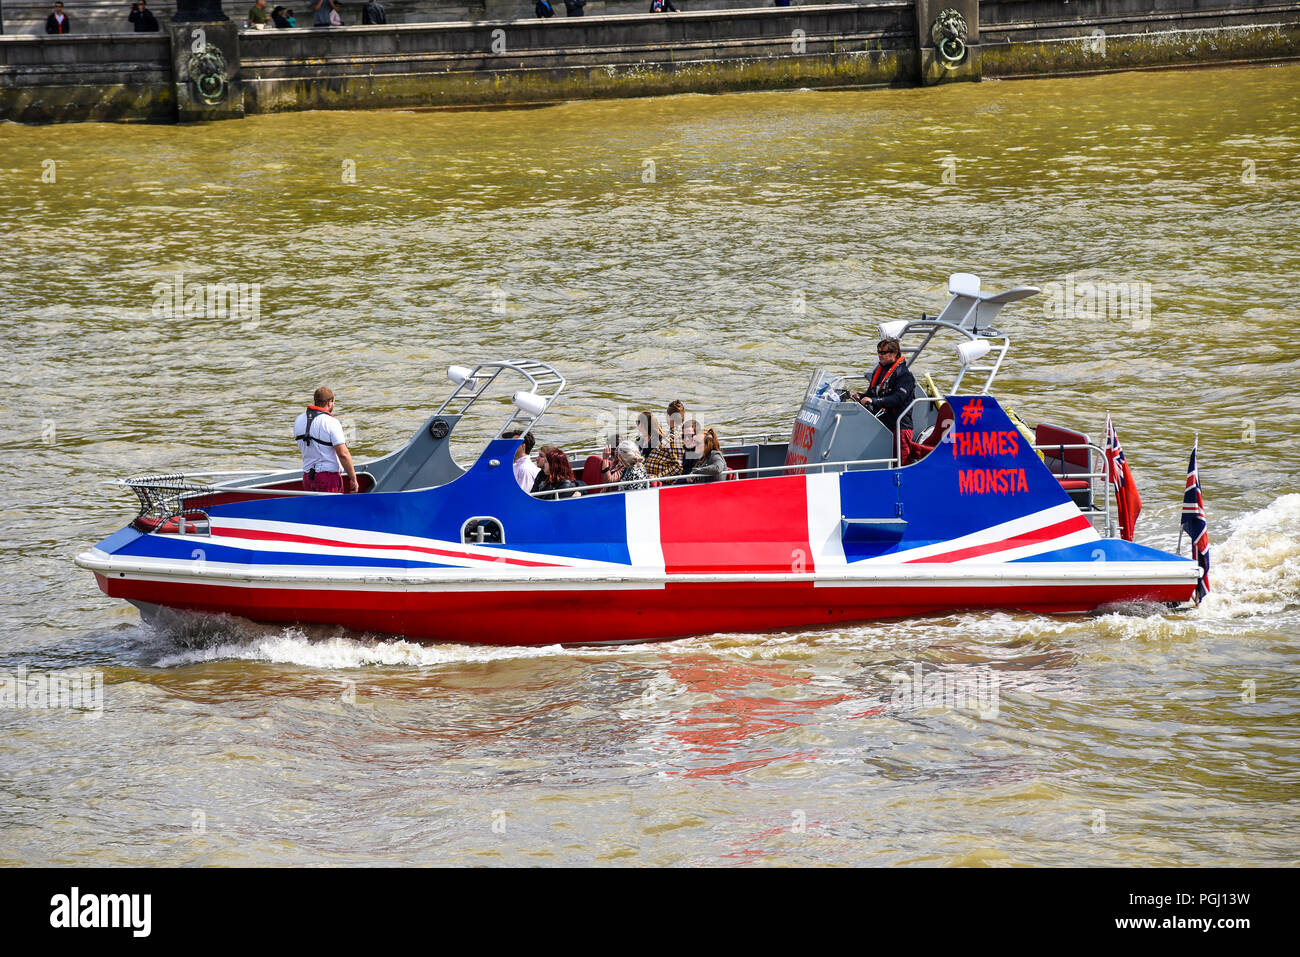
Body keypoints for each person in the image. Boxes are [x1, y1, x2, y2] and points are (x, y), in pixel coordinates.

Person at [849, 337, 921, 464]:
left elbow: (897, 398)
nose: (879, 355)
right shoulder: (881, 371)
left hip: (900, 427)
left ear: (894, 354)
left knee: (901, 464)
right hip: (882, 424)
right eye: (878, 352)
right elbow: (871, 394)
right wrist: (859, 396)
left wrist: (874, 401)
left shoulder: (904, 375)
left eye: (883, 352)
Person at [294, 387, 358, 493]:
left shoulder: (299, 420)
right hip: (328, 479)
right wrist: (353, 478)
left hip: (307, 478)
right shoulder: (331, 422)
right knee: (333, 509)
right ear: (330, 402)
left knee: (315, 509)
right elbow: (343, 454)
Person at [645, 400, 686, 479]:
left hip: (659, 481)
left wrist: (658, 477)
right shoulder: (672, 434)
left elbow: (678, 467)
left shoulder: (676, 436)